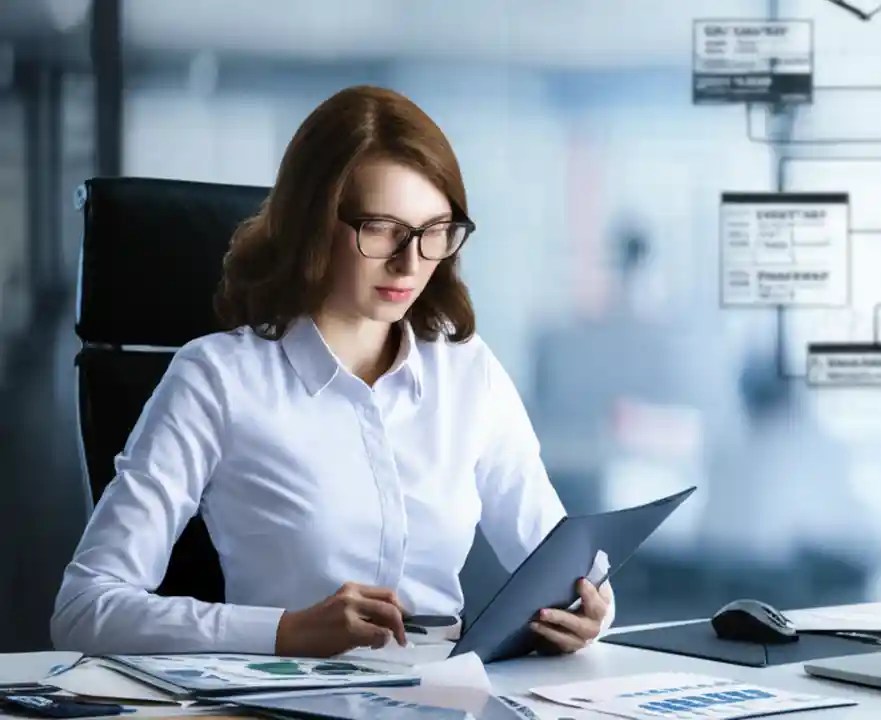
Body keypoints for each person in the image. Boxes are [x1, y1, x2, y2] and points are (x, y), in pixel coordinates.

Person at [50, 85, 613, 658]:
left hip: (447, 691)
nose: (410, 261)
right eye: (381, 229)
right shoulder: (217, 378)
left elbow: (562, 563)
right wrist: (285, 631)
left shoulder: (467, 370)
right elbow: (85, 608)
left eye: (433, 231)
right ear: (312, 224)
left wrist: (590, 609)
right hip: (288, 699)